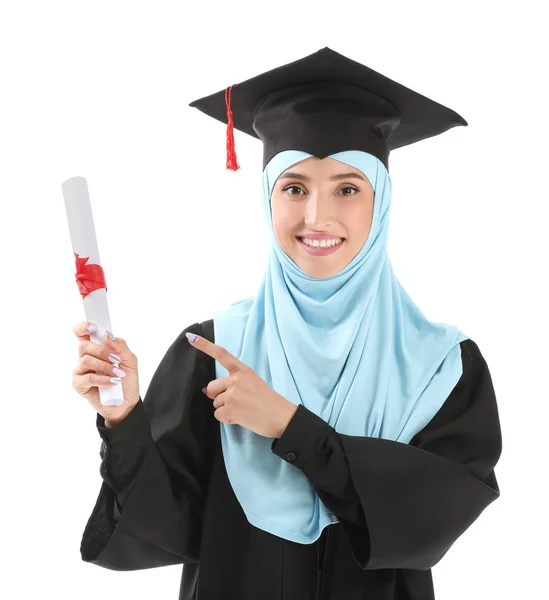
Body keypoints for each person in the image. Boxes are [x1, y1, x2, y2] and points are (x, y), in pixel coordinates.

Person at [73, 47, 502, 600]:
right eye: (294, 188)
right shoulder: (213, 347)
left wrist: (291, 428)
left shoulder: (442, 365)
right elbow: (164, 529)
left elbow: (428, 525)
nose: (316, 217)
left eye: (348, 189)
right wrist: (124, 417)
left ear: (382, 202)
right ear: (267, 198)